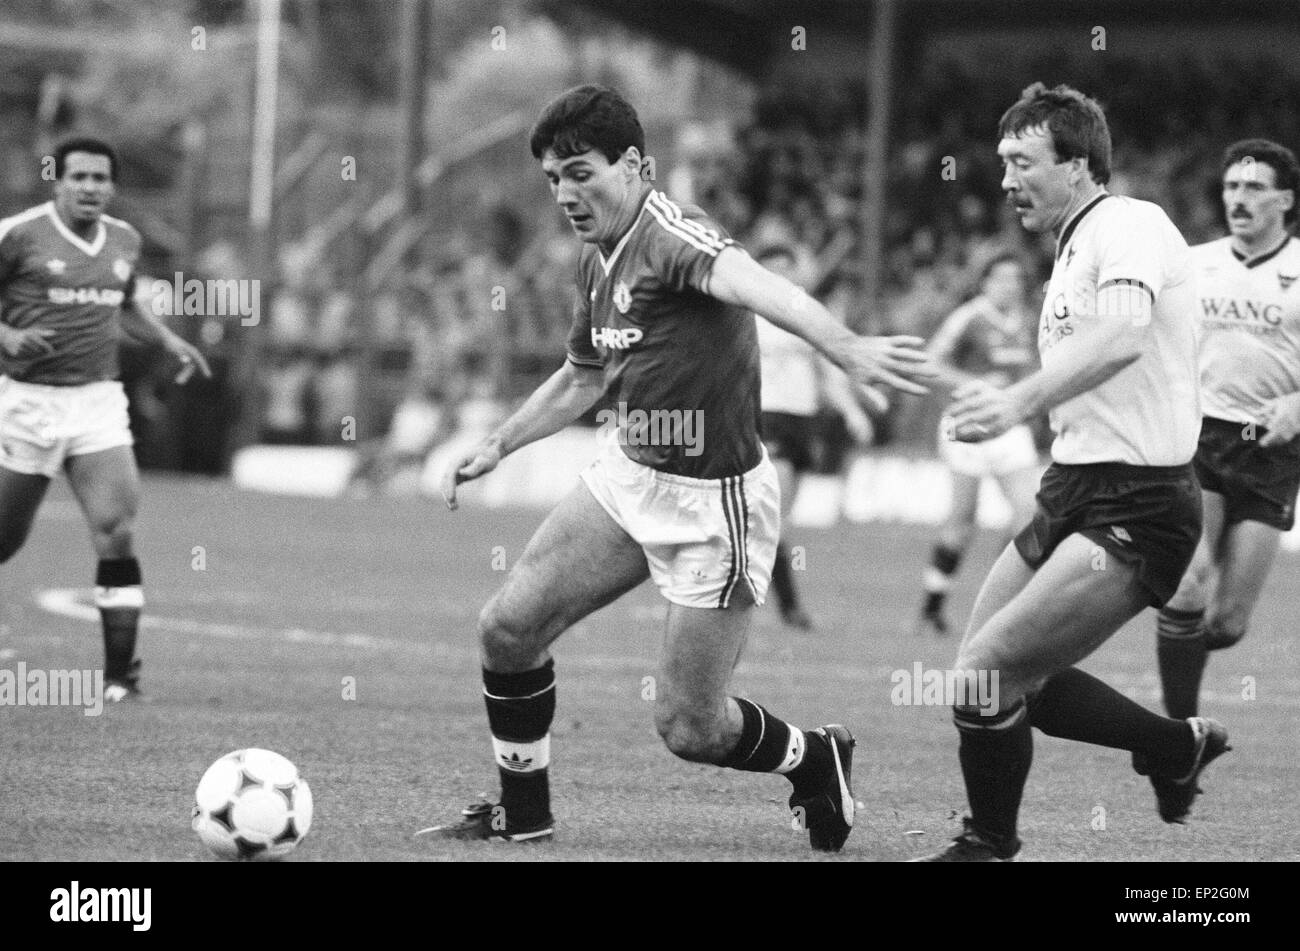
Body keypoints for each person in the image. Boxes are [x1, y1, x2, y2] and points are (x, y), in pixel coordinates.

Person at [426, 85, 934, 850]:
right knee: (506, 628)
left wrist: (847, 347)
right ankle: (523, 813)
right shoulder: (598, 264)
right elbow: (582, 377)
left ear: (636, 165)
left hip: (714, 504)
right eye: (553, 179)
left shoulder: (673, 234)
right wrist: (500, 443)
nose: (566, 192)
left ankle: (813, 754)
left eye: (581, 171)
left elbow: (762, 287)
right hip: (629, 477)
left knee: (691, 727)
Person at [916, 83, 1229, 861]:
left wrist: (1016, 400)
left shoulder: (1130, 222)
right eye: (1000, 163)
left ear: (1081, 165)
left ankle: (988, 843)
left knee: (989, 672)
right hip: (1071, 487)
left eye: (1022, 161)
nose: (1005, 179)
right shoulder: (1070, 247)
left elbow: (1123, 336)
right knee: (983, 677)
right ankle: (1170, 743)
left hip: (1139, 498)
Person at [0, 137, 210, 702]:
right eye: (80, 177)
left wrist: (167, 339)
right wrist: (9, 335)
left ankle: (120, 677)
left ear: (112, 187)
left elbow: (122, 303)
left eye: (100, 179)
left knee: (116, 532)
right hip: (26, 406)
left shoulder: (125, 239)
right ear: (58, 182)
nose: (90, 187)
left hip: (96, 404)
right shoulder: (17, 235)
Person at [1154, 139, 1300, 721]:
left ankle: (1180, 648)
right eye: (1231, 188)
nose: (1238, 200)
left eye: (1254, 188)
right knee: (1189, 585)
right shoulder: (1194, 263)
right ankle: (1177, 741)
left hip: (1272, 452)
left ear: (1285, 200)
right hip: (1201, 440)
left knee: (1226, 622)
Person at [919, 252, 1040, 636]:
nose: (1010, 285)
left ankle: (999, 602)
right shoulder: (969, 316)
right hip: (967, 423)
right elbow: (931, 363)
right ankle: (932, 607)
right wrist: (976, 387)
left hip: (1011, 425)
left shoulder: (1030, 319)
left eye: (1016, 279)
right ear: (985, 282)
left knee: (1029, 514)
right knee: (962, 523)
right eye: (1001, 278)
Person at [753, 241, 873, 630]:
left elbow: (829, 373)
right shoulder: (746, 314)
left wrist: (854, 410)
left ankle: (754, 592)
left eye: (785, 267)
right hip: (766, 418)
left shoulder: (805, 315)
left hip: (803, 421)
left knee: (779, 519)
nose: (779, 275)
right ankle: (788, 607)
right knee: (773, 518)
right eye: (771, 267)